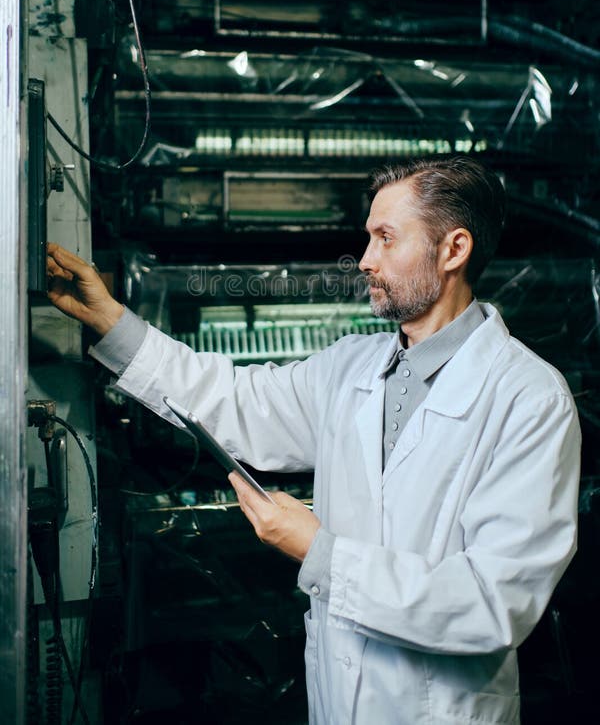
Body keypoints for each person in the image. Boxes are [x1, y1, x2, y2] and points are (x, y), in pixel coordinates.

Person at [47, 156, 581, 725]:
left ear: (453, 250)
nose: (366, 260)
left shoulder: (529, 399)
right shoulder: (350, 367)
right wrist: (112, 322)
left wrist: (321, 553)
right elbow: (232, 398)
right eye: (368, 238)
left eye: (385, 239)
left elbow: (493, 604)